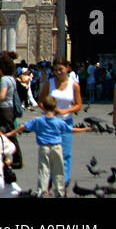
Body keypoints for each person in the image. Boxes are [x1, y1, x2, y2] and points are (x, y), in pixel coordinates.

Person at [6, 96, 89, 196]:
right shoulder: (59, 122)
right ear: (55, 108)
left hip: (44, 147)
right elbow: (71, 130)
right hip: (56, 147)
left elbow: (23, 126)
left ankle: (42, 191)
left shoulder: (38, 120)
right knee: (58, 170)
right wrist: (85, 129)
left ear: (43, 108)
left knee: (43, 170)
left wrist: (11, 133)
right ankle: (59, 191)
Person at [35, 59, 82, 190]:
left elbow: (78, 105)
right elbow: (41, 101)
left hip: (66, 121)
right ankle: (50, 179)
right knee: (49, 152)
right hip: (50, 123)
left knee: (65, 153)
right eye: (55, 70)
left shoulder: (74, 85)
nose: (58, 72)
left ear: (67, 68)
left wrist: (65, 110)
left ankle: (63, 181)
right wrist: (48, 111)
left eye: (60, 69)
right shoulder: (49, 84)